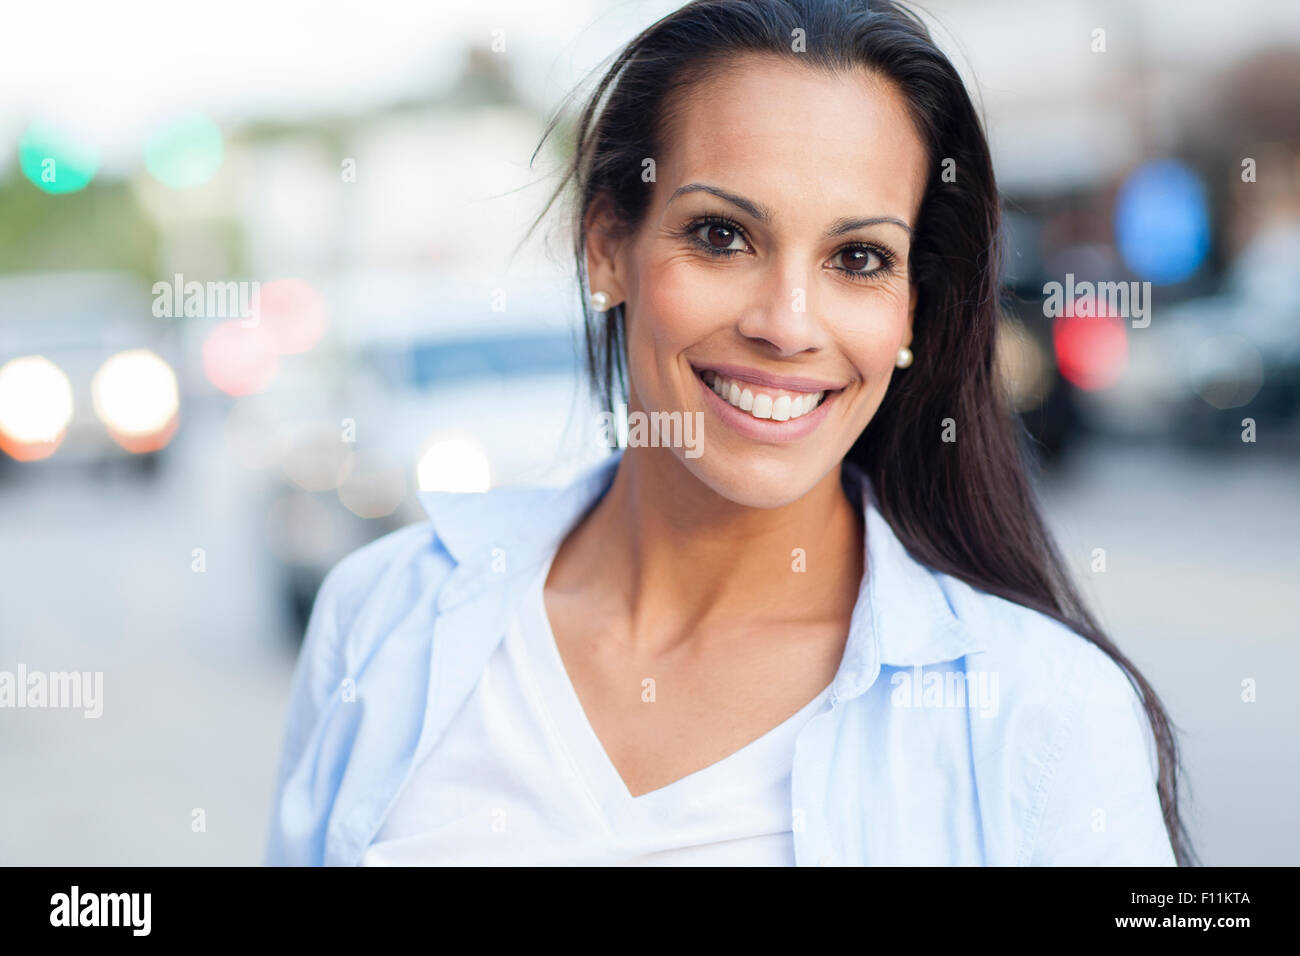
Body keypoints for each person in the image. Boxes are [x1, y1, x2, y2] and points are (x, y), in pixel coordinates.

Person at [265, 0, 1193, 866]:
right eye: (721, 236)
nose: (788, 324)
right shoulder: (381, 618)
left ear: (911, 312)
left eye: (858, 258)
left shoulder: (1046, 716)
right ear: (605, 245)